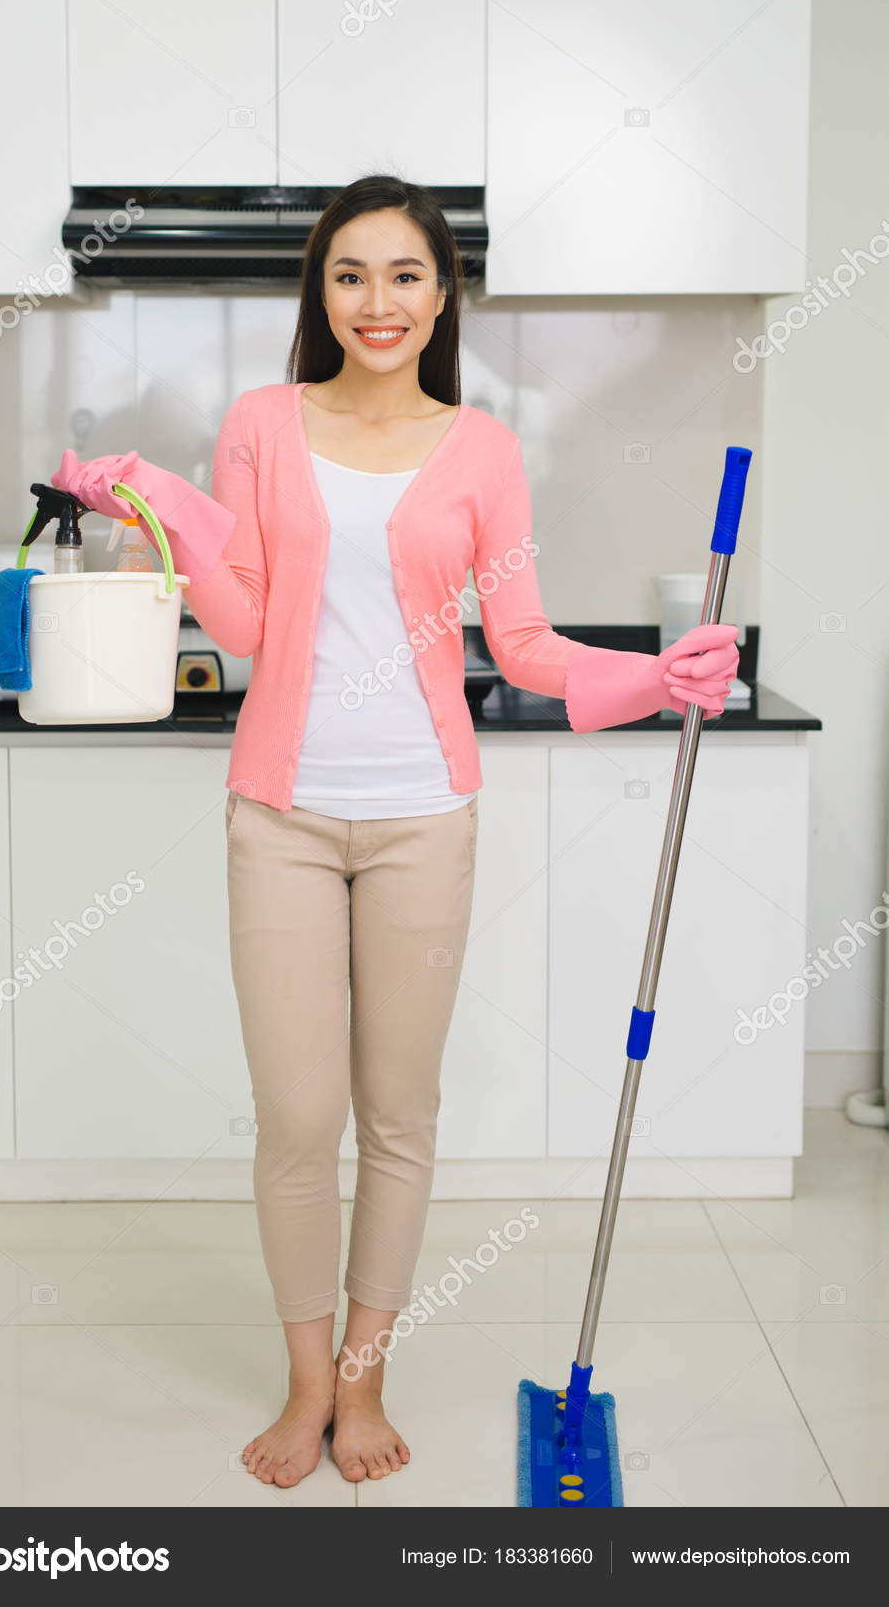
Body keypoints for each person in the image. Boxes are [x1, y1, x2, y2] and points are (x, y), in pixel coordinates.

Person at [53, 174, 739, 1491]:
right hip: (284, 814)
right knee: (298, 1119)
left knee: (399, 1116)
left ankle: (365, 1381)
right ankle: (306, 1384)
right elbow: (245, 623)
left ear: (441, 295)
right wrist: (161, 500)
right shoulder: (262, 424)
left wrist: (661, 676)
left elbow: (525, 646)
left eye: (406, 276)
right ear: (322, 293)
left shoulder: (478, 449)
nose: (380, 301)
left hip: (426, 816)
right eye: (353, 275)